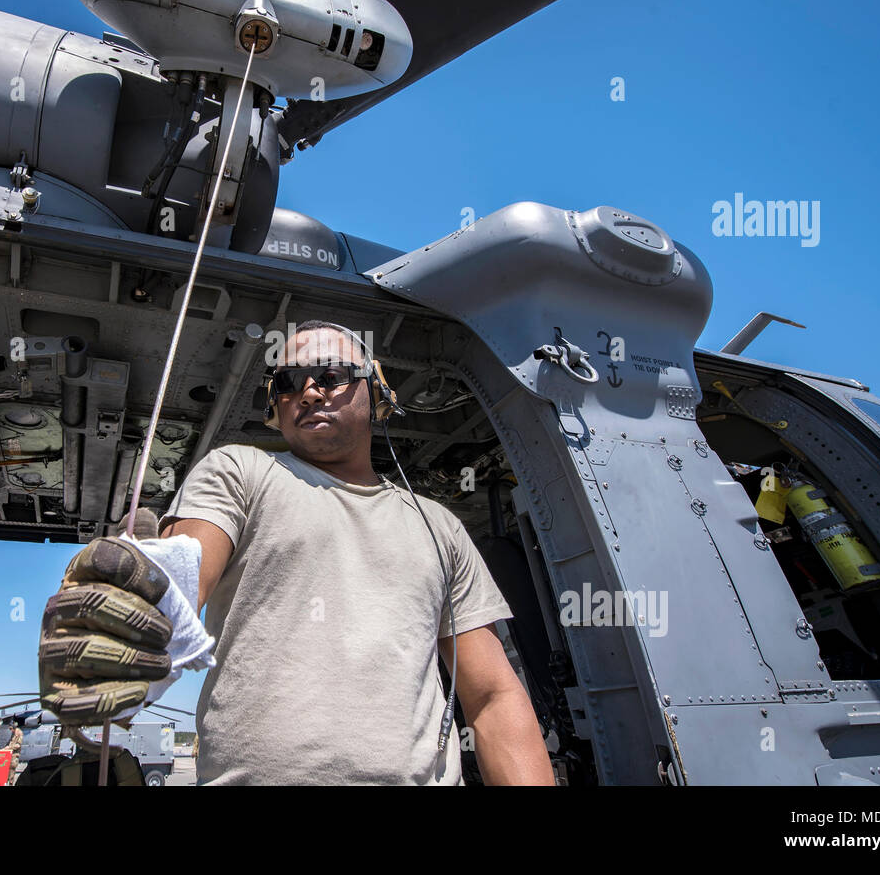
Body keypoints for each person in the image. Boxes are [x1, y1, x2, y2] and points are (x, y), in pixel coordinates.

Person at [41, 320, 553, 785]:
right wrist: (133, 609)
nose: (308, 390)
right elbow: (181, 578)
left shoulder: (438, 526)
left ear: (377, 396)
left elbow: (491, 698)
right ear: (274, 407)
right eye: (288, 382)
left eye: (330, 374)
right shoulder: (240, 471)